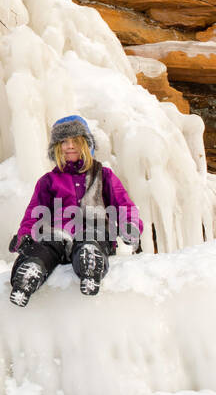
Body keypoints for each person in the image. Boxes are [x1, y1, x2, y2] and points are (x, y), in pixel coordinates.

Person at [8, 114, 142, 307]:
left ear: (87, 145)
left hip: (94, 230)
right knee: (44, 245)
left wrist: (130, 225)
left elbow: (123, 203)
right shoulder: (49, 181)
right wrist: (24, 236)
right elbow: (34, 213)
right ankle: (29, 271)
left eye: (75, 141)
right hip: (59, 233)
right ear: (56, 149)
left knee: (90, 237)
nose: (69, 146)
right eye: (64, 142)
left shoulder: (103, 175)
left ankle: (90, 264)